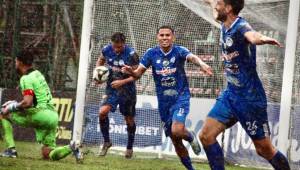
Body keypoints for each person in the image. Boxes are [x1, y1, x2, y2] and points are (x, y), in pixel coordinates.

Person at [199, 0, 290, 170]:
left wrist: (263, 39)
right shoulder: (223, 20)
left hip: (250, 99)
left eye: (219, 3)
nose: (215, 7)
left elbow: (252, 35)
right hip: (230, 95)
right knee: (206, 136)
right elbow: (213, 4)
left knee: (264, 149)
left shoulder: (241, 26)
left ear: (228, 8)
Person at [122, 25, 213, 170]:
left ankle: (190, 137)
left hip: (180, 97)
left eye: (168, 35)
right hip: (164, 103)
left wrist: (201, 64)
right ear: (157, 37)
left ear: (173, 37)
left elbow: (192, 57)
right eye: (162, 35)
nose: (165, 38)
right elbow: (138, 74)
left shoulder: (179, 51)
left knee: (177, 130)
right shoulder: (151, 53)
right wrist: (130, 71)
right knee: (176, 140)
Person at [0, 49, 83, 162]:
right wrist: (15, 103)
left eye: (15, 61)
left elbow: (28, 103)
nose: (15, 64)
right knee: (47, 153)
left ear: (20, 62)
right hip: (53, 116)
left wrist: (11, 106)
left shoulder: (25, 78)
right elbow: (34, 100)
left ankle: (11, 150)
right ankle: (72, 147)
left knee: (3, 113)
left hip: (40, 115)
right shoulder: (38, 74)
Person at [96, 32, 139, 159]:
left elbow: (137, 75)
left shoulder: (132, 55)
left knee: (129, 119)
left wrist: (123, 81)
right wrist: (98, 74)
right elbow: (100, 60)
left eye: (119, 47)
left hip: (128, 90)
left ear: (124, 44)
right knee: (102, 112)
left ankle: (129, 147)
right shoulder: (106, 49)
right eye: (114, 46)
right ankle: (107, 142)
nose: (116, 49)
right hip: (112, 88)